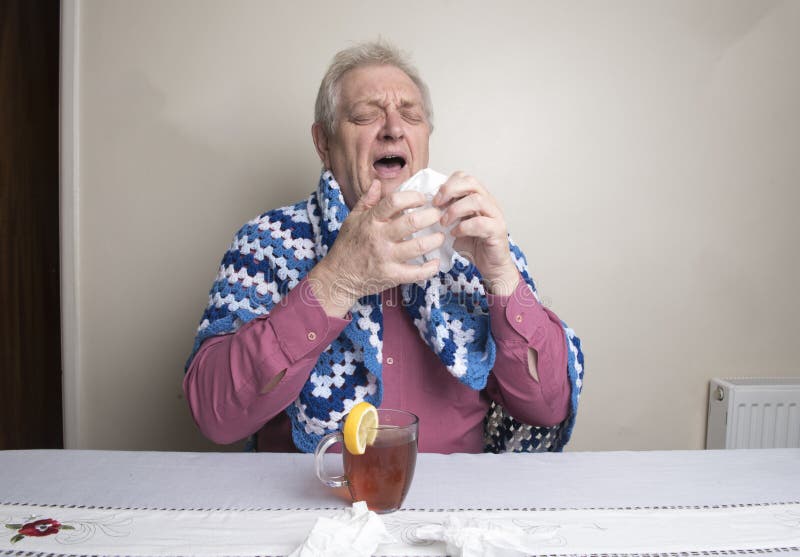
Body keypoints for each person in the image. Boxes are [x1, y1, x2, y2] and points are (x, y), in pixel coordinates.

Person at [184, 40, 584, 454]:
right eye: (365, 115)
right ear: (324, 143)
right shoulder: (266, 242)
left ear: (425, 137)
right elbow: (216, 417)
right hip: (307, 508)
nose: (394, 127)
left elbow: (548, 407)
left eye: (411, 115)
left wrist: (501, 276)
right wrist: (338, 280)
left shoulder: (481, 244)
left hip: (457, 511)